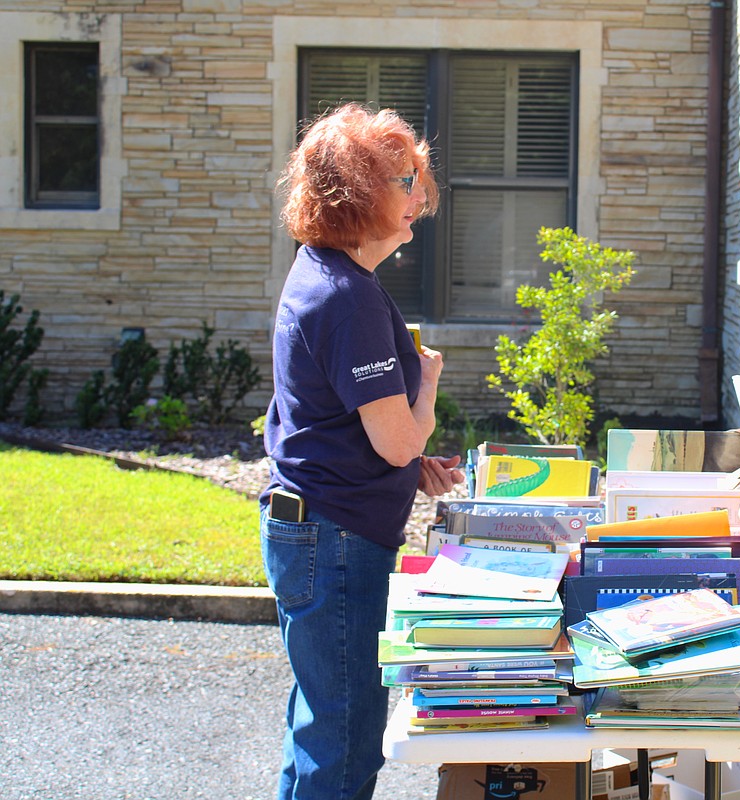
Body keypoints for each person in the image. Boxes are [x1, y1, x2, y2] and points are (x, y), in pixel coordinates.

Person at [261, 103, 464, 800]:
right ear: (357, 195)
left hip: (314, 529)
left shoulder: (326, 274)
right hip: (335, 539)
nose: (420, 200)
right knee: (345, 747)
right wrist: (428, 382)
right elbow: (399, 437)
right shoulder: (346, 297)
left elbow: (337, 423)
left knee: (320, 727)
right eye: (404, 183)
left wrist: (412, 470)